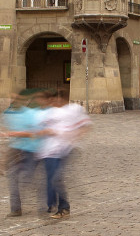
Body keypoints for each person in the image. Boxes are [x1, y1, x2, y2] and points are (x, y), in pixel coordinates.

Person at [37, 90, 89, 219]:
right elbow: (40, 129)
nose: (56, 102)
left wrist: (74, 137)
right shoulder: (49, 112)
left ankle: (64, 207)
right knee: (51, 179)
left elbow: (85, 125)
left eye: (58, 99)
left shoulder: (73, 110)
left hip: (63, 150)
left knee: (56, 178)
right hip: (48, 151)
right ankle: (52, 204)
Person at [0, 89, 47, 217]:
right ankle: (15, 209)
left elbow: (34, 133)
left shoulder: (30, 114)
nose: (14, 101)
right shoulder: (10, 113)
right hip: (16, 149)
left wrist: (13, 133)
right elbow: (7, 128)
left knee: (29, 179)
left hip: (31, 150)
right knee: (13, 177)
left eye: (16, 98)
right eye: (12, 98)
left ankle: (44, 205)